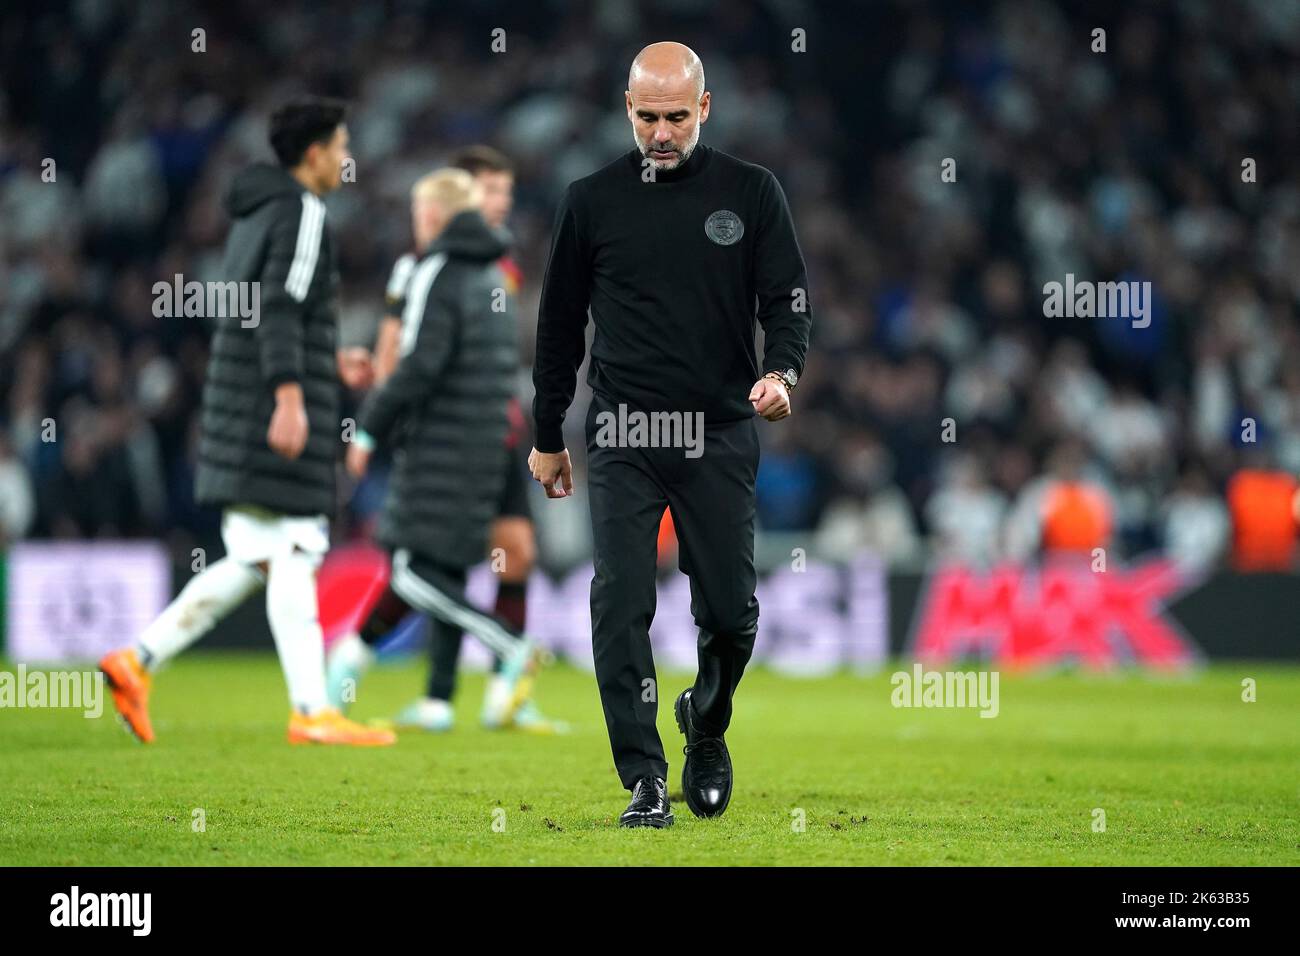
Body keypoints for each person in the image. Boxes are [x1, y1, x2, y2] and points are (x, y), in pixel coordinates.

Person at [529, 42, 812, 826]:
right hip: (623, 429)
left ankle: (707, 724)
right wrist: (549, 432)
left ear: (706, 109)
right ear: (627, 109)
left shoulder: (753, 193)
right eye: (648, 116)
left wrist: (782, 374)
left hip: (718, 429)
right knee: (619, 600)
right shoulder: (590, 202)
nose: (661, 131)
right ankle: (645, 779)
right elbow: (558, 327)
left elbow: (787, 301)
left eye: (676, 117)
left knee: (729, 612)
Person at [99, 98, 394, 747]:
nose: (346, 161)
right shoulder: (304, 211)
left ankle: (138, 660)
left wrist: (325, 362)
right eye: (340, 148)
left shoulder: (254, 215)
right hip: (272, 409)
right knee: (292, 548)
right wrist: (293, 395)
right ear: (314, 153)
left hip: (240, 402)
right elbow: (283, 310)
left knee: (263, 554)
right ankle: (312, 710)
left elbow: (260, 314)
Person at [326, 169, 543, 729]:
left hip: (440, 443)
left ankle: (508, 649)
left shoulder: (435, 271)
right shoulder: (496, 273)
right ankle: (436, 698)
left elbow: (416, 362)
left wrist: (371, 427)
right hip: (487, 444)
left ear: (433, 216)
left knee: (410, 569)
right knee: (443, 565)